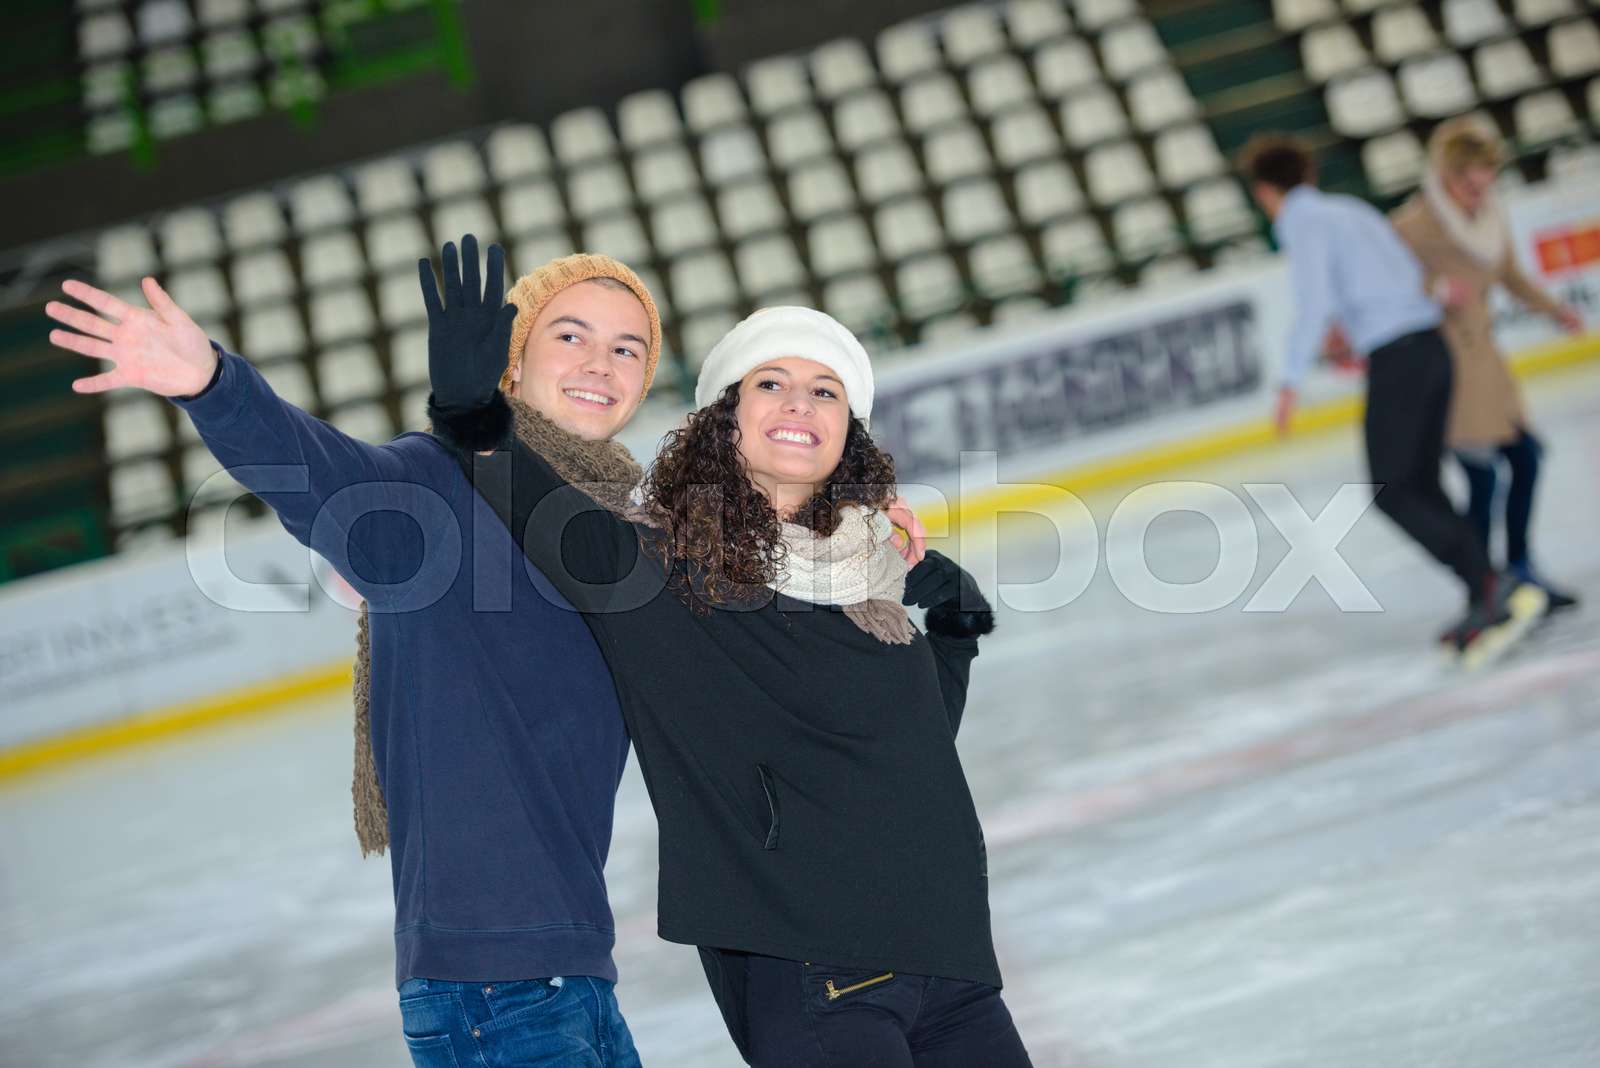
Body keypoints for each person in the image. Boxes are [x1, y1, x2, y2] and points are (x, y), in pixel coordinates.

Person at [46, 242, 664, 1068]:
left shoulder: (621, 532)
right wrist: (211, 383)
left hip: (573, 979)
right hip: (497, 992)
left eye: (628, 348)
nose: (601, 363)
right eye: (571, 336)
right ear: (510, 361)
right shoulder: (434, 489)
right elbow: (315, 476)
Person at [422, 238, 1032, 1067]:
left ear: (846, 429)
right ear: (725, 418)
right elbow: (525, 495)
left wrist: (953, 624)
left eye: (825, 391)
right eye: (770, 383)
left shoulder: (866, 579)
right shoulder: (661, 567)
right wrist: (469, 411)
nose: (799, 403)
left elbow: (903, 751)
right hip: (816, 976)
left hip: (951, 966)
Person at [1237, 133, 1546, 665]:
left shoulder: (1300, 221)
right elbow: (1403, 276)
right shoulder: (1351, 210)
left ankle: (1487, 585)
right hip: (1430, 348)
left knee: (1393, 490)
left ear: (1266, 193)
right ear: (1307, 174)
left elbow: (1314, 298)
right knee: (1419, 483)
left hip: (1400, 358)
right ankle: (1484, 588)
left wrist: (1290, 380)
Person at [1389, 116, 1582, 613]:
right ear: (1448, 175)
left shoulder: (1490, 217)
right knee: (1484, 477)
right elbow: (1388, 283)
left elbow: (1510, 274)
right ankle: (1484, 584)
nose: (1478, 189)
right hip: (1448, 368)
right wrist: (1432, 290)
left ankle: (1517, 566)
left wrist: (1554, 309)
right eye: (1468, 180)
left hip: (1488, 367)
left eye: (1484, 178)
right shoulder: (1415, 225)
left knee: (1526, 459)